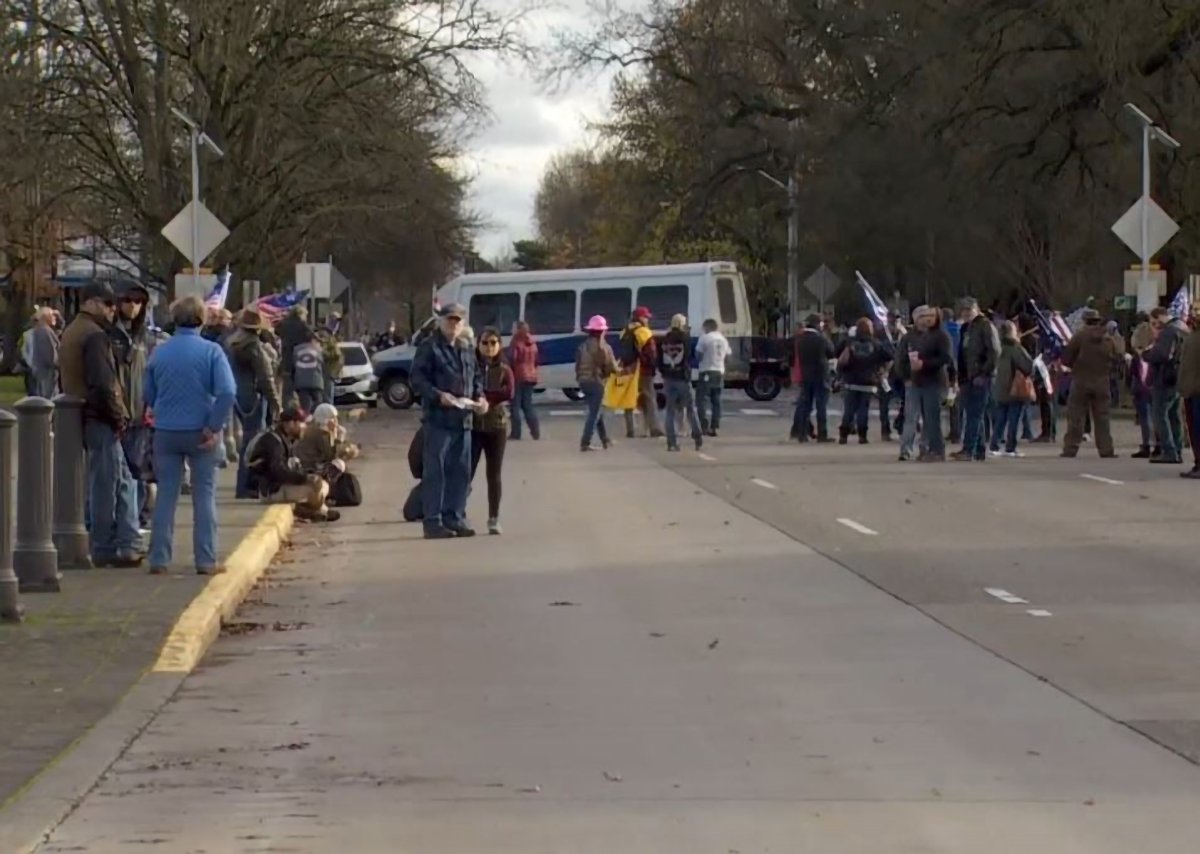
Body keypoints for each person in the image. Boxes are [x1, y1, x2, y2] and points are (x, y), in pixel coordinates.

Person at [143, 296, 236, 575]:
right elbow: (227, 392)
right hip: (201, 431)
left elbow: (148, 393)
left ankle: (159, 558)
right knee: (204, 495)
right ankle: (205, 559)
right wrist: (214, 426)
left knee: (166, 494)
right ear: (202, 319)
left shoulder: (159, 352)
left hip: (166, 430)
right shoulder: (211, 352)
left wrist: (160, 409)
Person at [59, 282, 143, 567]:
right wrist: (119, 417)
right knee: (110, 483)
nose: (112, 310)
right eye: (108, 304)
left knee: (114, 480)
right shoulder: (95, 336)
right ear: (92, 303)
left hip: (86, 415)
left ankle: (122, 542)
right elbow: (103, 383)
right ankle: (107, 545)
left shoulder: (72, 330)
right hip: (101, 418)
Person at [410, 303, 485, 540]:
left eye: (457, 321)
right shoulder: (429, 347)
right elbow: (417, 380)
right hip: (438, 420)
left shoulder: (466, 347)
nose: (453, 324)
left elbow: (476, 377)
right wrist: (437, 395)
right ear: (441, 321)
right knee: (436, 472)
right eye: (449, 320)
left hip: (464, 420)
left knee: (461, 471)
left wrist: (480, 398)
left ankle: (455, 517)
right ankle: (433, 521)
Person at [227, 307, 285, 499]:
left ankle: (245, 484)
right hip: (255, 399)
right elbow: (265, 378)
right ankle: (246, 485)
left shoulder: (232, 345)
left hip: (238, 397)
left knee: (248, 440)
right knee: (254, 443)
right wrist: (276, 403)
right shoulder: (255, 348)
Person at [246, 407, 339, 522]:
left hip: (282, 486)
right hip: (272, 491)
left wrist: (309, 475)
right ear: (289, 424)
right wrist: (305, 478)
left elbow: (291, 467)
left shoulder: (287, 439)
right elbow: (278, 472)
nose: (304, 427)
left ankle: (309, 511)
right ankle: (315, 512)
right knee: (315, 490)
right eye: (301, 423)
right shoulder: (273, 441)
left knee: (323, 485)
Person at [109, 282, 152, 526]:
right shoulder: (109, 335)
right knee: (117, 471)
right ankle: (122, 520)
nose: (133, 306)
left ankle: (136, 519)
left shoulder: (145, 336)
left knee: (138, 468)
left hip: (140, 412)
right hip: (118, 411)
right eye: (128, 301)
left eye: (138, 302)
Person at [1060, 308, 1120, 459]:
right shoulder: (1108, 338)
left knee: (1076, 416)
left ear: (1084, 320)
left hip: (1081, 380)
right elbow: (1117, 357)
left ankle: (1070, 449)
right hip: (1102, 381)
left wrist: (1074, 366)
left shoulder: (1079, 336)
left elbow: (1066, 357)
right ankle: (1106, 450)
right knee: (1103, 418)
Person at [897, 305, 954, 462]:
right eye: (924, 316)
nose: (927, 319)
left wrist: (924, 364)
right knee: (920, 418)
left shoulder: (942, 335)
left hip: (934, 382)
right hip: (918, 381)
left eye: (930, 316)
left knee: (932, 419)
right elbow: (902, 358)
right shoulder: (919, 336)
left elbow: (946, 358)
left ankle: (936, 450)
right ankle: (923, 449)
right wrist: (908, 373)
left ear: (938, 318)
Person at [471, 328, 514, 535]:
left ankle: (494, 518)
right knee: (466, 471)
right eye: (485, 343)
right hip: (473, 426)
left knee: (494, 474)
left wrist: (488, 399)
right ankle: (457, 513)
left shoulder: (504, 369)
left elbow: (508, 391)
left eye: (493, 343)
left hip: (497, 426)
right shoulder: (471, 367)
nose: (489, 347)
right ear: (478, 344)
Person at [951, 297, 1000, 462]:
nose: (965, 313)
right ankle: (978, 449)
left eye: (969, 310)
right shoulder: (966, 328)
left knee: (974, 414)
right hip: (967, 376)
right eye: (963, 310)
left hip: (981, 376)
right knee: (973, 414)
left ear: (976, 309)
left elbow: (994, 352)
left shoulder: (985, 326)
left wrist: (984, 373)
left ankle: (968, 449)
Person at [833, 318, 893, 444]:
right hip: (868, 381)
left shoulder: (849, 342)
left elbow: (836, 353)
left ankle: (843, 435)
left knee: (849, 409)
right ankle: (862, 435)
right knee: (863, 409)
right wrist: (882, 371)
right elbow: (888, 356)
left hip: (850, 380)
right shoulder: (876, 343)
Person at [1142, 306, 1189, 465]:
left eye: (1154, 322)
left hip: (1164, 378)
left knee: (1159, 415)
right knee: (1174, 416)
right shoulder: (1183, 328)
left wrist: (1146, 354)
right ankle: (1177, 450)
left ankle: (1169, 451)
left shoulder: (1169, 332)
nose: (1155, 326)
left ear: (1159, 318)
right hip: (1178, 377)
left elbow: (1162, 354)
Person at [989, 320, 1035, 458]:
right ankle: (1010, 447)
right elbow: (1028, 366)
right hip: (1014, 388)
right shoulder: (1016, 348)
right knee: (1014, 419)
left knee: (1000, 419)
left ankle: (994, 445)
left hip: (999, 387)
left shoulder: (997, 347)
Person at [659, 313, 703, 452]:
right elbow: (691, 357)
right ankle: (697, 437)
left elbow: (658, 359)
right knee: (690, 409)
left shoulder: (663, 339)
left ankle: (671, 442)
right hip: (683, 378)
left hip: (668, 378)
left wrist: (664, 372)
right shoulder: (685, 339)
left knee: (670, 412)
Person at [618, 307, 663, 439]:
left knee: (629, 399)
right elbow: (651, 353)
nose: (648, 319)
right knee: (649, 398)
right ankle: (654, 428)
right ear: (640, 318)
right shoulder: (644, 332)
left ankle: (630, 429)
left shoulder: (624, 332)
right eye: (646, 317)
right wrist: (655, 367)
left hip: (628, 369)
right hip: (643, 371)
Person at [575, 314, 616, 451]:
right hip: (596, 382)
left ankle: (605, 440)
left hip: (583, 381)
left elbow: (578, 364)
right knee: (594, 413)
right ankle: (585, 442)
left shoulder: (583, 346)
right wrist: (620, 370)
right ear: (602, 331)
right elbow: (610, 366)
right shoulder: (604, 347)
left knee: (596, 411)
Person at [792, 314, 834, 443]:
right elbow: (831, 352)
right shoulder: (820, 338)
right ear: (817, 324)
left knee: (806, 405)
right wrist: (826, 335)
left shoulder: (800, 339)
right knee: (821, 405)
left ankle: (802, 434)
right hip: (820, 375)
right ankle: (822, 433)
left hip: (806, 375)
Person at [695, 318, 730, 437]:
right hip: (719, 371)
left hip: (706, 371)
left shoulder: (704, 338)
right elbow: (728, 356)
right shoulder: (723, 339)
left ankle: (704, 426)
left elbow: (698, 355)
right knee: (716, 400)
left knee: (702, 400)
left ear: (707, 327)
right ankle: (715, 426)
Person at [508, 320, 541, 441]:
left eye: (514, 328)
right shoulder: (532, 342)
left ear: (518, 329)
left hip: (518, 376)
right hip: (531, 376)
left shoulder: (516, 341)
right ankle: (535, 432)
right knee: (527, 405)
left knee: (515, 405)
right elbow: (536, 360)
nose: (512, 330)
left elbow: (512, 358)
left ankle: (516, 433)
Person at [1130, 313, 1157, 458]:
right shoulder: (1156, 348)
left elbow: (1133, 373)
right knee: (1156, 416)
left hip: (1141, 387)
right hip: (1153, 386)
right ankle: (1157, 444)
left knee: (1145, 417)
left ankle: (1146, 444)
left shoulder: (1138, 356)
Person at [277, 305, 314, 406]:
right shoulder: (303, 326)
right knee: (303, 390)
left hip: (287, 360)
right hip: (301, 361)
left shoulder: (284, 324)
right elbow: (311, 339)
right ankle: (303, 410)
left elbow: (278, 332)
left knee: (287, 389)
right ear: (300, 314)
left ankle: (287, 409)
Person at [1179, 305, 1200, 479]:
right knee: (1193, 429)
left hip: (1196, 389)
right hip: (1190, 389)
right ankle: (1198, 462)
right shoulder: (1191, 337)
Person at [28, 306, 60, 399]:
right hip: (47, 373)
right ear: (46, 317)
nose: (54, 317)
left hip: (43, 371)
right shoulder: (45, 331)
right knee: (49, 399)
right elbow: (50, 355)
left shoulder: (41, 330)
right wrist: (59, 364)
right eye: (52, 315)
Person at [292, 333, 326, 412]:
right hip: (316, 380)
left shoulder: (296, 349)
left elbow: (293, 364)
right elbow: (323, 363)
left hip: (301, 381)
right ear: (312, 339)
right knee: (318, 405)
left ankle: (306, 416)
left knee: (304, 406)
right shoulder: (318, 349)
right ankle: (316, 417)